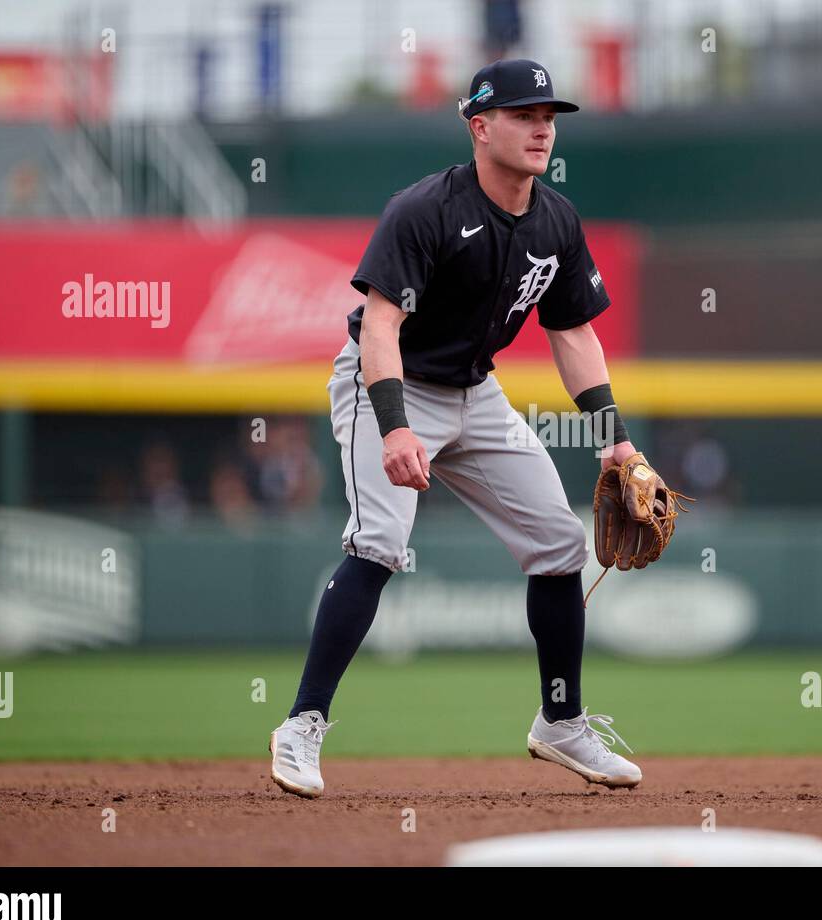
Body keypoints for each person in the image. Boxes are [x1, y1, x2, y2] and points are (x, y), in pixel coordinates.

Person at [269, 59, 652, 798]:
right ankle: (302, 724)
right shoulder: (426, 209)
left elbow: (572, 334)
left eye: (550, 116)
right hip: (385, 380)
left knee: (559, 542)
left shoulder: (557, 220)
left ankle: (561, 724)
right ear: (479, 126)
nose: (542, 127)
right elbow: (380, 325)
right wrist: (393, 428)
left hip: (476, 393)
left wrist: (617, 440)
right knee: (380, 542)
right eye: (523, 114)